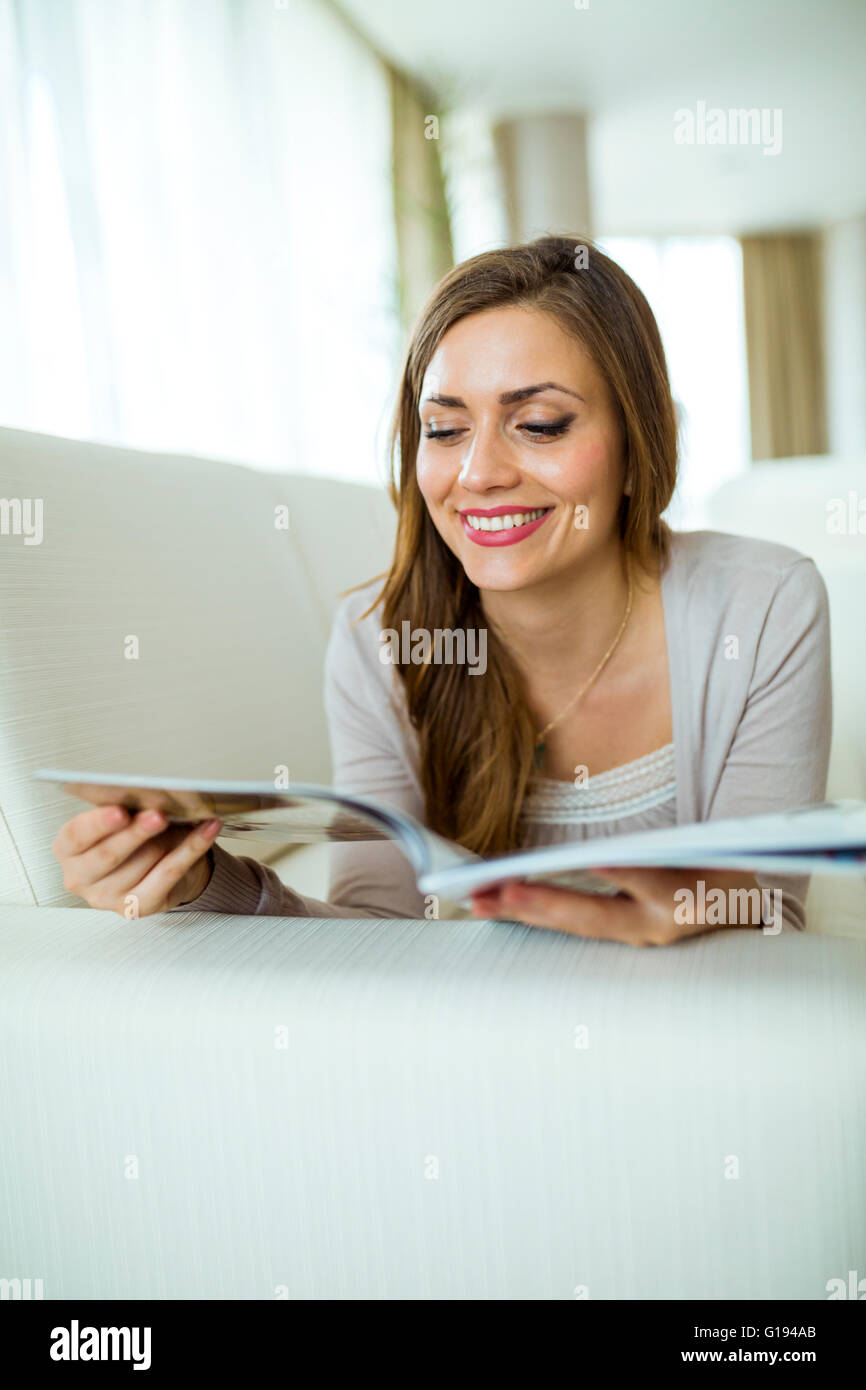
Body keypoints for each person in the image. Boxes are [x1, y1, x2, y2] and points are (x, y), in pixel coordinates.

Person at [53, 236, 832, 944]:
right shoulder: (380, 643)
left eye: (542, 423)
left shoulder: (764, 608)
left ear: (637, 447)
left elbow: (771, 915)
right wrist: (200, 882)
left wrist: (702, 911)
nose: (479, 474)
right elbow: (380, 932)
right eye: (446, 428)